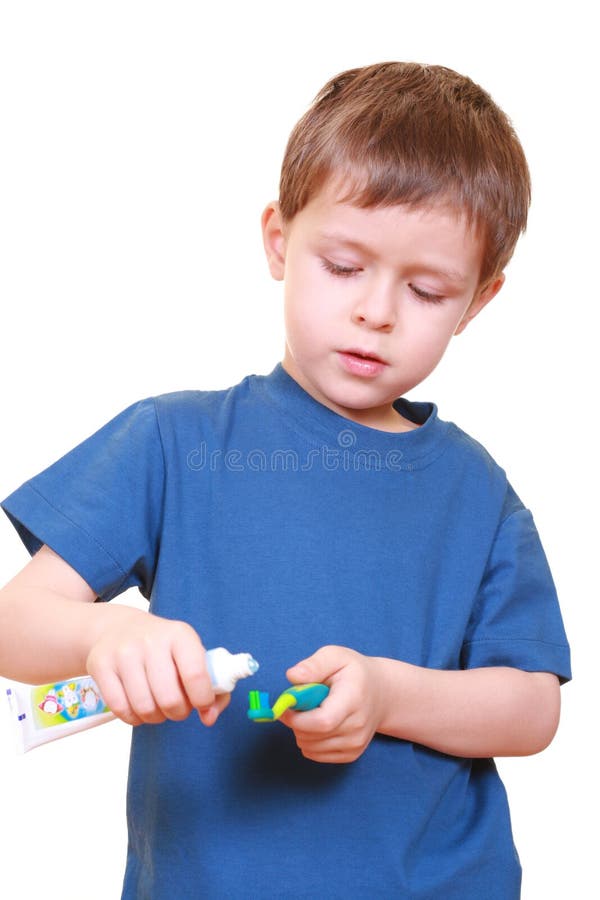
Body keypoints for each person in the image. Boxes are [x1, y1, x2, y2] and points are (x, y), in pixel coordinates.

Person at [0, 62, 571, 899]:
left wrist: (387, 695)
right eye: (343, 266)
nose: (377, 310)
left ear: (477, 302)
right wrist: (102, 640)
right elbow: (15, 621)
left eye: (425, 289)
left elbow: (531, 708)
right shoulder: (176, 442)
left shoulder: (478, 492)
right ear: (279, 240)